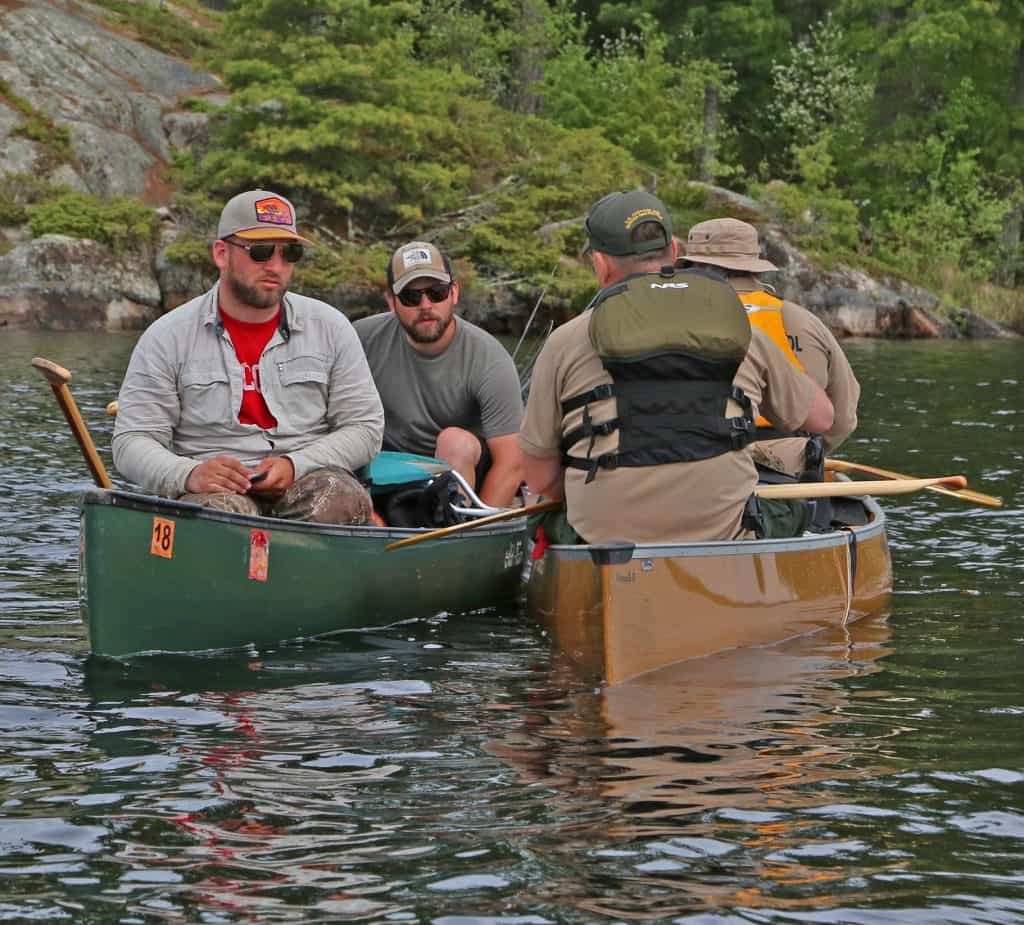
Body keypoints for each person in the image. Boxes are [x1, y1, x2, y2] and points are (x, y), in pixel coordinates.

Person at [519, 190, 835, 544]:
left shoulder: (564, 341)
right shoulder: (737, 326)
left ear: (601, 263)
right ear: (674, 252)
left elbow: (539, 478)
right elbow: (822, 419)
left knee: (543, 514)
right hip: (724, 534)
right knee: (795, 510)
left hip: (605, 539)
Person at [112, 189, 384, 524]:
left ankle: (296, 566)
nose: (276, 265)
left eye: (290, 253)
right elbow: (131, 442)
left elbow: (365, 427)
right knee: (220, 516)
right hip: (211, 494)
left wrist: (295, 464)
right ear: (221, 253)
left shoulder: (331, 328)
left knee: (339, 496)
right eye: (260, 251)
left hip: (310, 480)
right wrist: (189, 474)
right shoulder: (166, 337)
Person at [682, 218, 860, 479]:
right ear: (753, 266)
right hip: (787, 466)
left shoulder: (675, 319)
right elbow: (843, 417)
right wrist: (806, 453)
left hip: (696, 466)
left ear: (694, 267)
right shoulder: (802, 321)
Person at [354, 241, 524, 508]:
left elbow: (512, 463)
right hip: (382, 473)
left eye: (437, 292)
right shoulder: (358, 339)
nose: (425, 305)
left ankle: (455, 525)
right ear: (391, 301)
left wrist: (477, 534)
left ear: (454, 293)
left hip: (460, 476)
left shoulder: (491, 360)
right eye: (411, 296)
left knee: (454, 442)